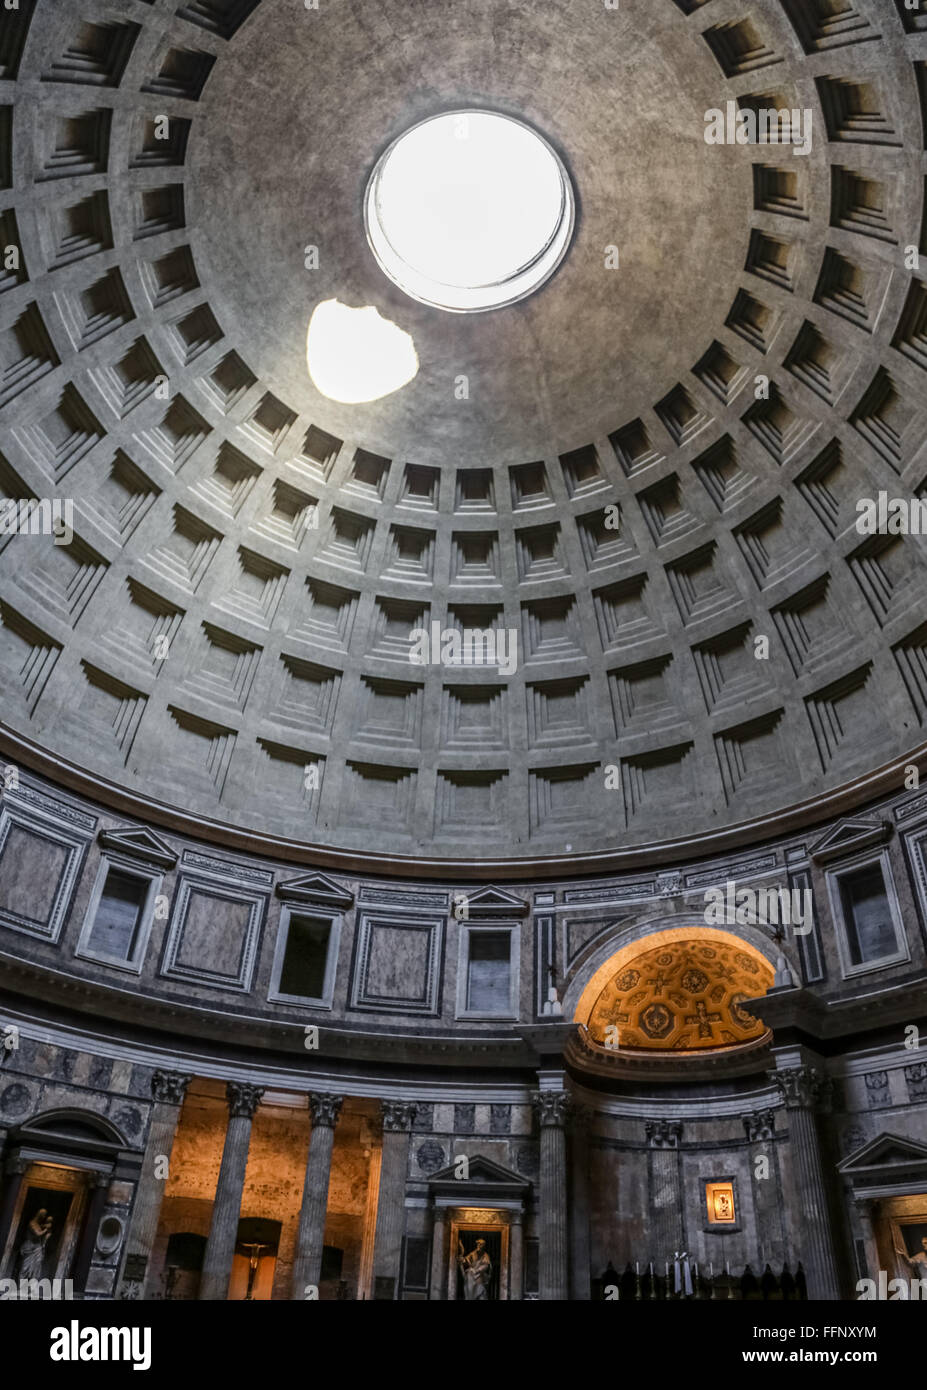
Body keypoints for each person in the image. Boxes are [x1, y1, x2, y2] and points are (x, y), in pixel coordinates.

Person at [16, 1208, 53, 1280]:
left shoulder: (38, 1224)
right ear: (40, 1215)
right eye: (44, 1215)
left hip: (36, 1248)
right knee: (25, 1267)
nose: (44, 1217)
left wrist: (46, 1227)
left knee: (35, 1268)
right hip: (30, 1247)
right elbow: (38, 1233)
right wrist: (46, 1229)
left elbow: (41, 1227)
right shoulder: (32, 1223)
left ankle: (31, 1287)